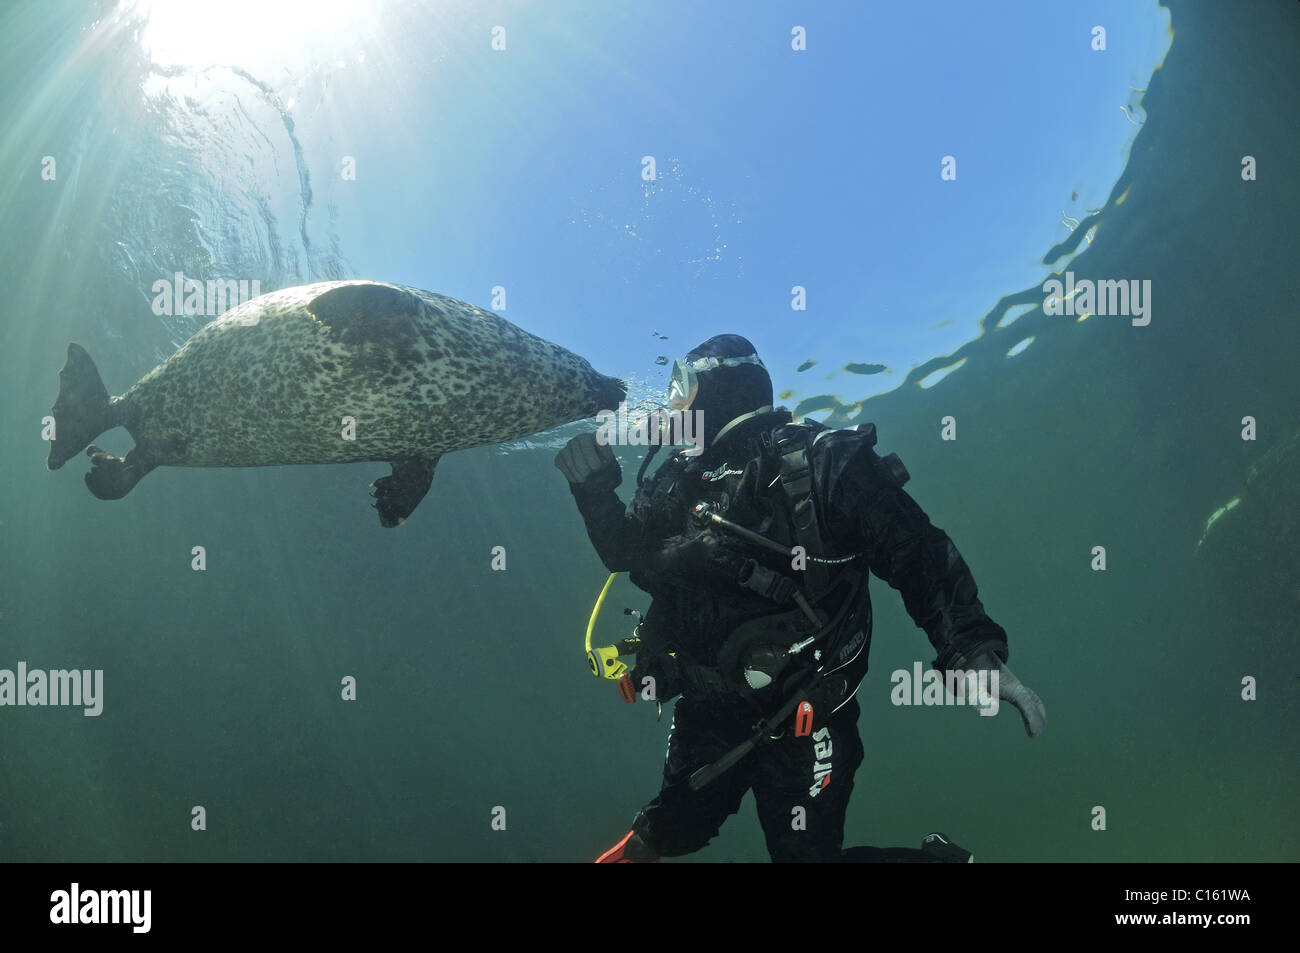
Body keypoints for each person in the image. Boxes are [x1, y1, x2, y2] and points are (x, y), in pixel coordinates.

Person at [555, 334, 1045, 863]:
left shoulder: (820, 460)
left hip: (806, 718)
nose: (672, 402)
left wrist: (971, 651)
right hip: (708, 710)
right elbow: (628, 555)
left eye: (682, 386)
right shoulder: (676, 479)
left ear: (721, 385)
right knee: (667, 834)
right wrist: (594, 491)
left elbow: (916, 553)